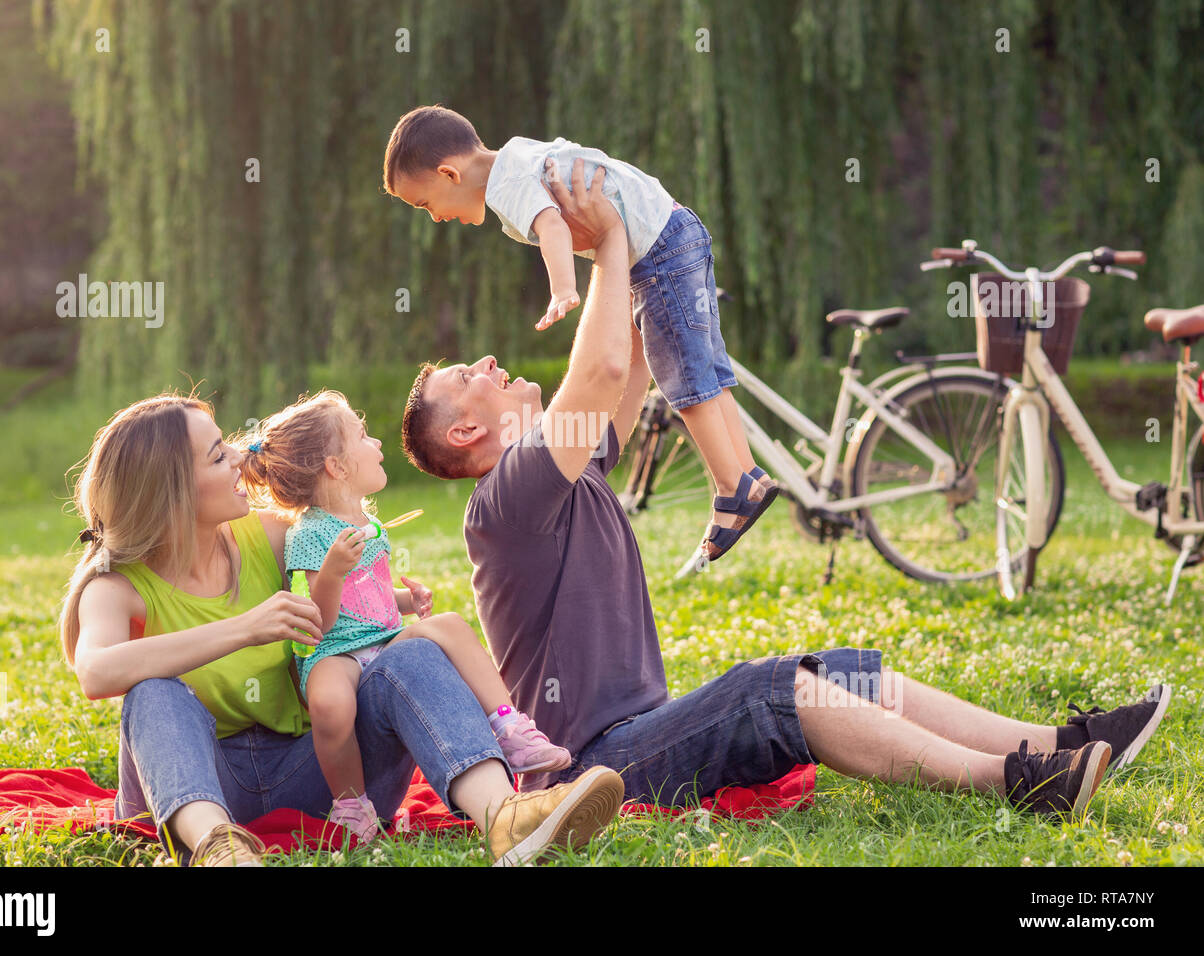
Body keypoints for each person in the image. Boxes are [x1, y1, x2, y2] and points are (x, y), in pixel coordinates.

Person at [400, 158, 1172, 819]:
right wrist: (603, 243)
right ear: (467, 433)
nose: (491, 365)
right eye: (472, 377)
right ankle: (1017, 782)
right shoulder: (510, 497)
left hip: (641, 734)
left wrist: (641, 242)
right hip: (595, 769)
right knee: (767, 690)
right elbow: (598, 373)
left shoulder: (563, 468)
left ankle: (1057, 745)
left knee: (842, 675)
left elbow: (630, 356)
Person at [59, 393, 622, 867]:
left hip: (319, 775)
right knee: (154, 692)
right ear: (172, 490)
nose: (238, 457)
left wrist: (395, 601)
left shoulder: (273, 537)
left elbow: (347, 605)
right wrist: (243, 628)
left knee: (410, 652)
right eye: (216, 455)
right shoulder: (117, 584)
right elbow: (97, 671)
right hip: (200, 784)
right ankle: (218, 849)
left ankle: (507, 815)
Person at [384, 104, 776, 565]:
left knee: (687, 381)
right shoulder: (519, 157)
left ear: (449, 173)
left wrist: (563, 289)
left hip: (655, 250)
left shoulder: (506, 185)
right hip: (675, 229)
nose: (433, 218)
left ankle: (731, 487)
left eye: (425, 204)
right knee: (707, 369)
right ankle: (747, 474)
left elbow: (551, 224)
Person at [234, 389, 571, 843]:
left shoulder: (368, 525)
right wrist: (331, 570)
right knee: (330, 704)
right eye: (363, 436)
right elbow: (320, 618)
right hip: (334, 652)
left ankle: (509, 725)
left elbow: (368, 595)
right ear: (336, 466)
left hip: (381, 638)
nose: (376, 445)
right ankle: (351, 803)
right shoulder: (310, 534)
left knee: (450, 624)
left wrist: (407, 601)